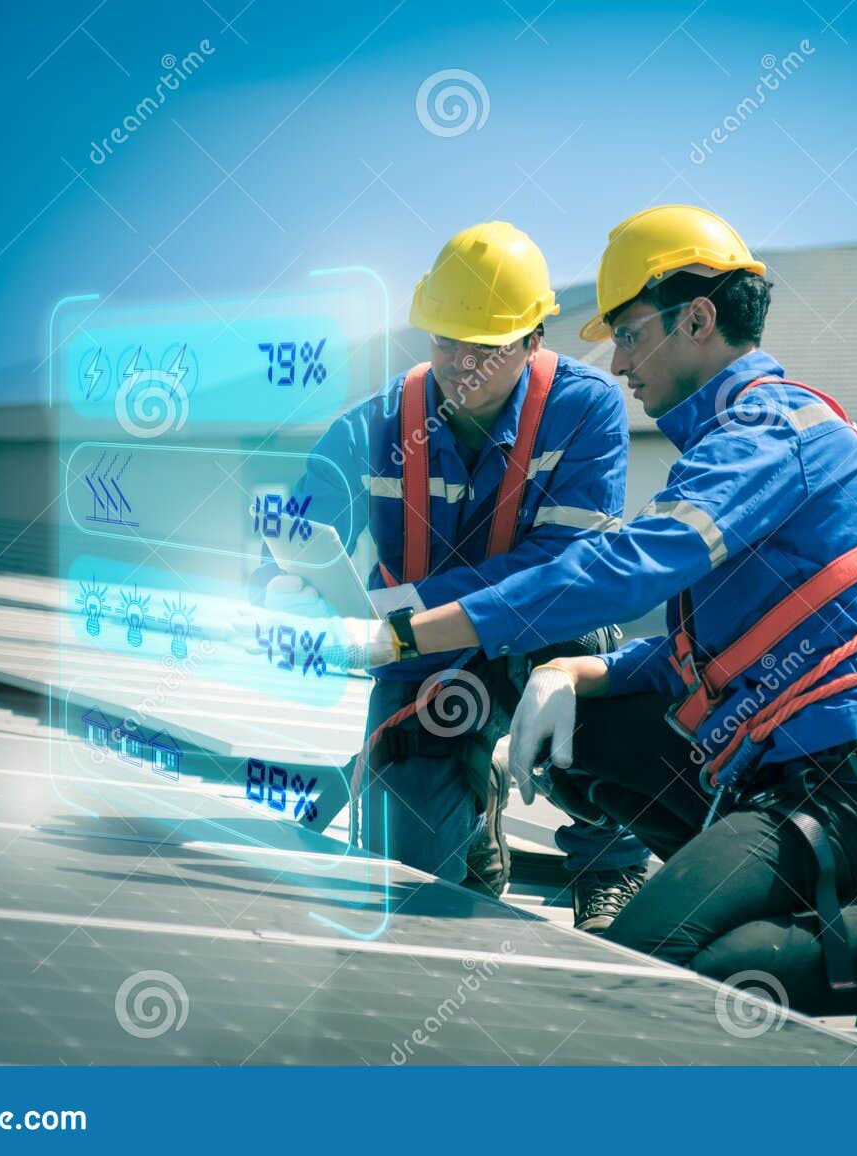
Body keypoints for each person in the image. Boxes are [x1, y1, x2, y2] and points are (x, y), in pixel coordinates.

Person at [339, 206, 857, 1061]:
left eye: (631, 334)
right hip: (775, 778)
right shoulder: (730, 438)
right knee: (578, 716)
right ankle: (812, 919)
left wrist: (408, 636)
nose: (619, 362)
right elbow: (698, 660)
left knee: (648, 965)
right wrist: (579, 677)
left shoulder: (768, 433)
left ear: (699, 319)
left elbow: (628, 567)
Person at [247, 221, 650, 917]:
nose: (463, 363)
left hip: (536, 640)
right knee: (400, 885)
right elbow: (295, 527)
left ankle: (609, 860)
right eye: (446, 341)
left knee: (583, 652)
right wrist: (280, 585)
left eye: (488, 348)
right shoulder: (369, 428)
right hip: (420, 668)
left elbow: (564, 566)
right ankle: (470, 823)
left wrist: (398, 615)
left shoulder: (585, 410)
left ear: (533, 340)